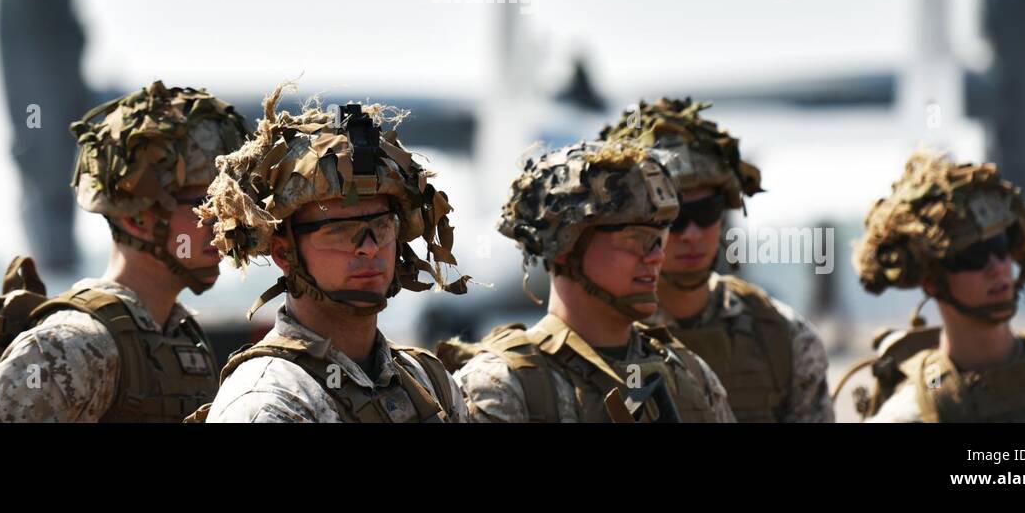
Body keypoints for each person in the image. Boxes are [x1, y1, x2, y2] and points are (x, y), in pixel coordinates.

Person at [0, 81, 249, 422]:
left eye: (227, 201)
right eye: (203, 203)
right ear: (137, 218)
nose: (223, 219)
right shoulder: (73, 344)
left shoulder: (178, 333)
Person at [196, 87, 470, 422]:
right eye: (339, 230)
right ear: (285, 253)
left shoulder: (430, 382)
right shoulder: (270, 401)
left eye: (382, 226)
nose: (369, 247)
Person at [442, 140, 735, 422]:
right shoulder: (502, 385)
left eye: (659, 239)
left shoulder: (691, 375)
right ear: (564, 249)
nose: (656, 256)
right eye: (634, 240)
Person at [852, 149, 1025, 422]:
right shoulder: (913, 414)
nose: (996, 266)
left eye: (1001, 246)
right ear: (932, 283)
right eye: (973, 256)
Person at [600, 98, 834, 422]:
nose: (692, 234)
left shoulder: (784, 338)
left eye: (707, 211)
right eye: (675, 217)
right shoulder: (598, 338)